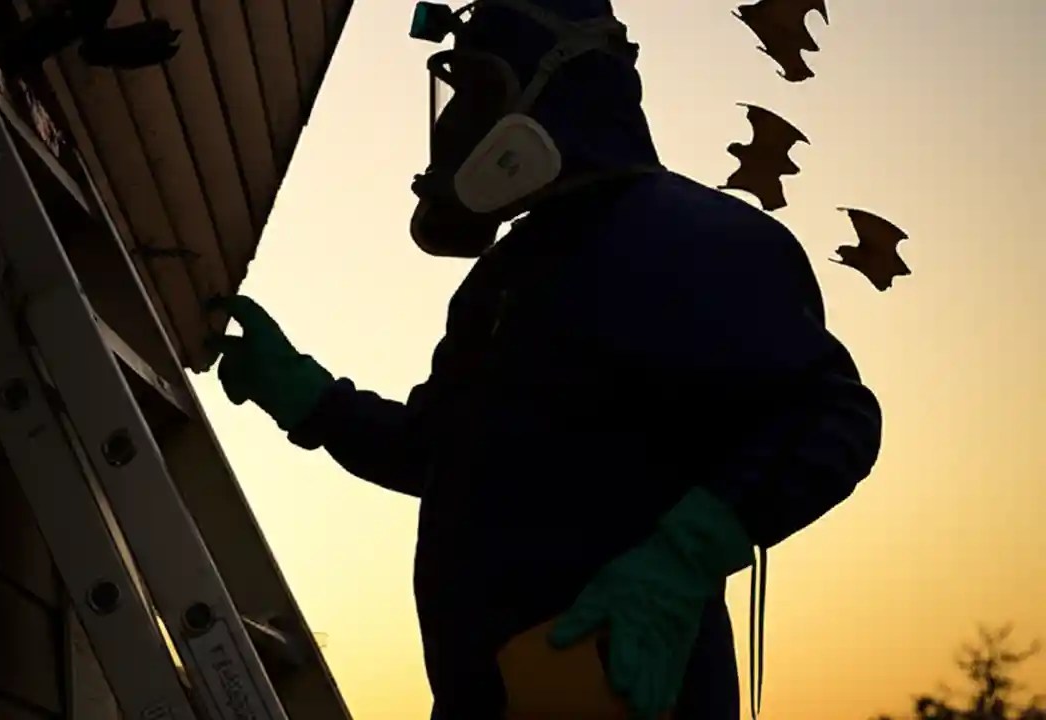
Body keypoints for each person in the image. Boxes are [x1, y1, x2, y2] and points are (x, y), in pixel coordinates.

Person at [207, 1, 883, 718]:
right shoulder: (503, 280)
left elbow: (832, 415)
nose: (453, 123)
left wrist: (681, 558)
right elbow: (443, 456)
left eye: (475, 92)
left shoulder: (685, 237)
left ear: (549, 91)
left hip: (620, 694)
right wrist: (316, 402)